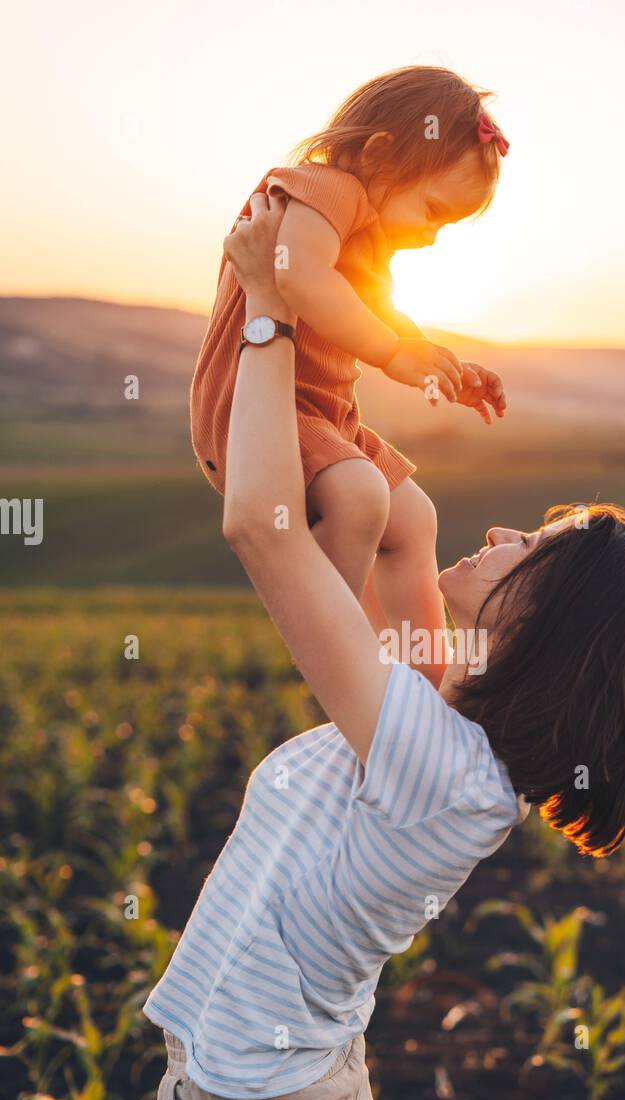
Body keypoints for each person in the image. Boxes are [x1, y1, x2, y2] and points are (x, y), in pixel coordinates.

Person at [138, 193, 625, 1100]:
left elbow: (260, 523)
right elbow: (410, 530)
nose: (504, 532)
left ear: (549, 623)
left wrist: (267, 312)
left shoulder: (436, 766)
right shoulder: (449, 723)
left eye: (530, 544)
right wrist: (357, 358)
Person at [190, 65, 509, 684]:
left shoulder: (365, 232)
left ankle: (422, 680)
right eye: (434, 211)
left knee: (414, 517)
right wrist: (393, 353)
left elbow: (372, 313)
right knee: (359, 495)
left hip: (326, 416)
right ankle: (333, 649)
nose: (433, 236)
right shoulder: (321, 188)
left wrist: (435, 360)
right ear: (381, 155)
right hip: (260, 411)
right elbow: (298, 277)